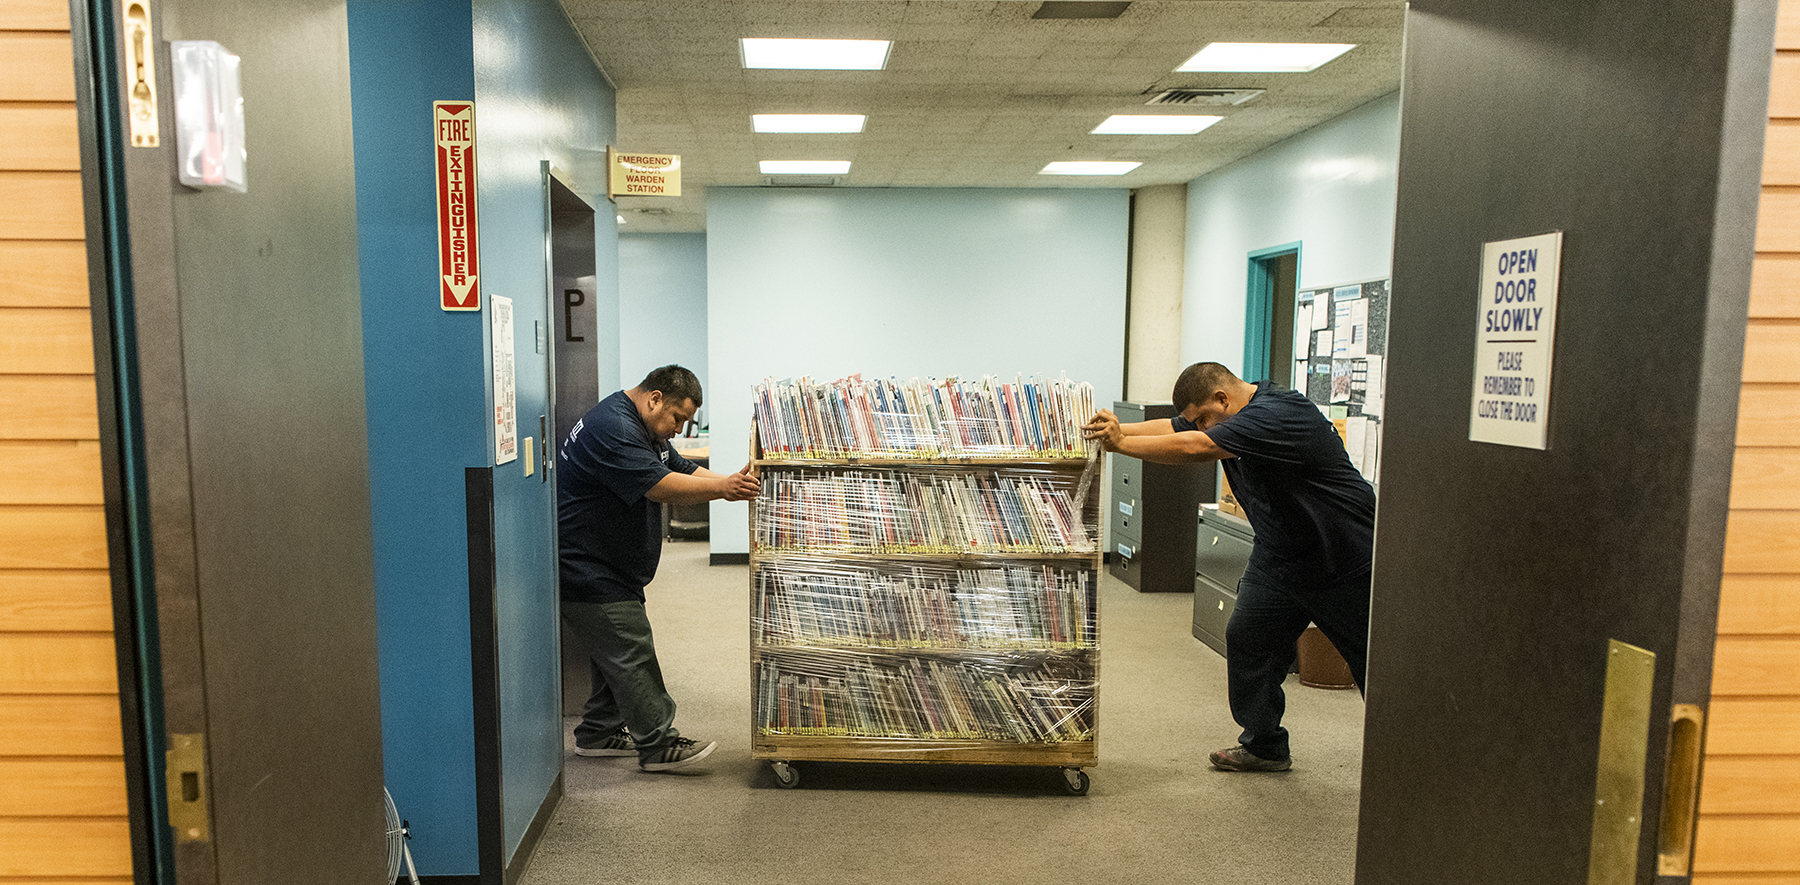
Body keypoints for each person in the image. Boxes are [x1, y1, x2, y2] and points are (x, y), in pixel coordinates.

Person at [1083, 362, 1374, 772]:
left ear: (1223, 399)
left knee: (1374, 661)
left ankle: (1402, 755)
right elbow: (1177, 429)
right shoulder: (1232, 413)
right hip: (1282, 555)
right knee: (1248, 638)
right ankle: (1265, 746)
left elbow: (1196, 446)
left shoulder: (1278, 413)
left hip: (1342, 556)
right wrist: (1116, 431)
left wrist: (1122, 445)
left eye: (1203, 418)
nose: (1199, 426)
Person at [558, 365, 760, 772]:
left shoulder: (640, 425)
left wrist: (732, 483)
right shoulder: (613, 427)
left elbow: (680, 468)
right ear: (654, 399)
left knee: (612, 654)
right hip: (586, 564)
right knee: (631, 650)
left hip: (608, 562)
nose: (679, 429)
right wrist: (723, 490)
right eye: (678, 419)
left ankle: (597, 733)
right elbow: (659, 485)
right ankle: (658, 745)